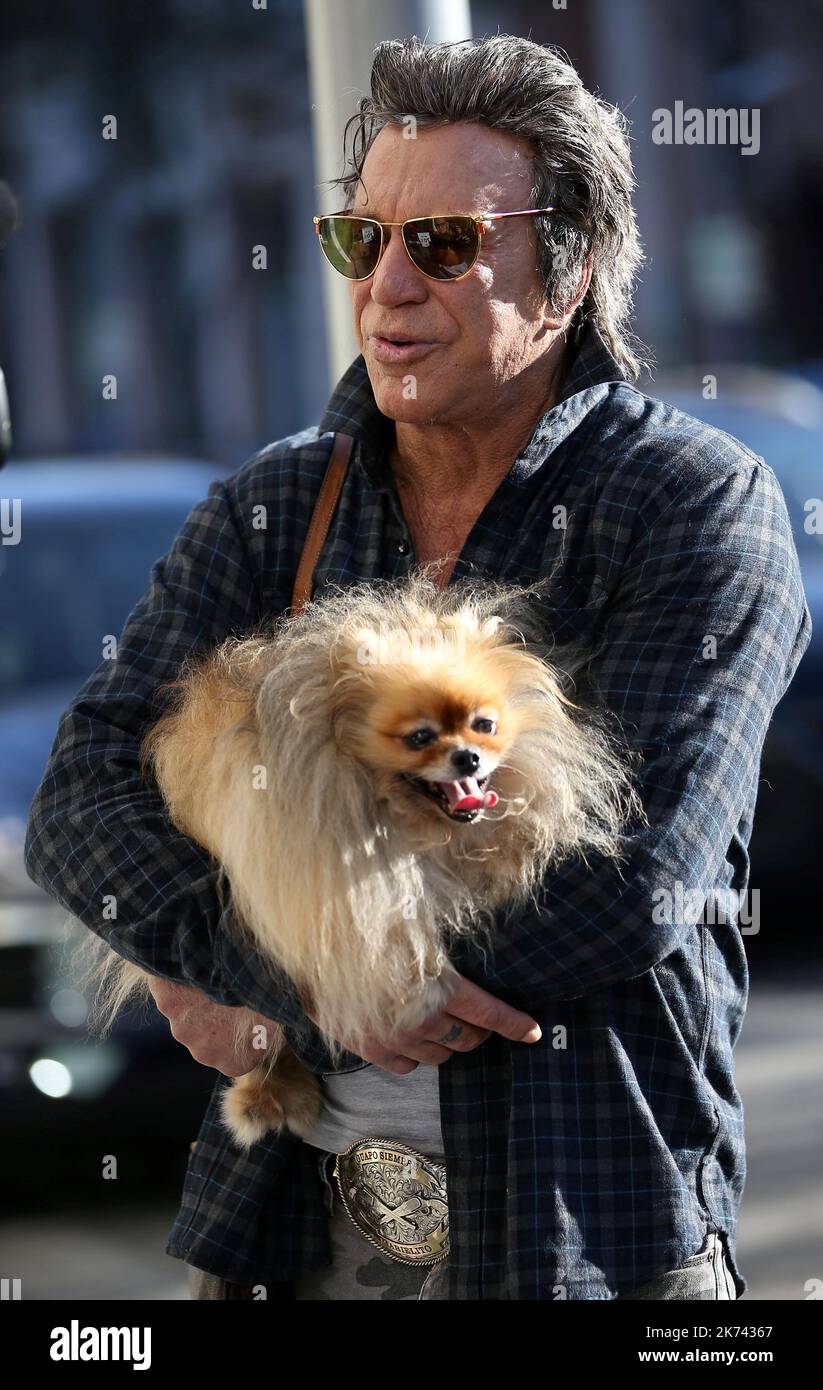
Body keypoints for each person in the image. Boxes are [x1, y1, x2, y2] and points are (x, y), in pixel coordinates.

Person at [25, 34, 810, 1301]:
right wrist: (284, 980)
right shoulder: (273, 506)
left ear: (569, 274)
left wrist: (292, 975)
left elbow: (635, 883)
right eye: (361, 241)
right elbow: (81, 802)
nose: (386, 286)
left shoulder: (693, 504)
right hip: (286, 1237)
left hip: (585, 1236)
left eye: (443, 244)